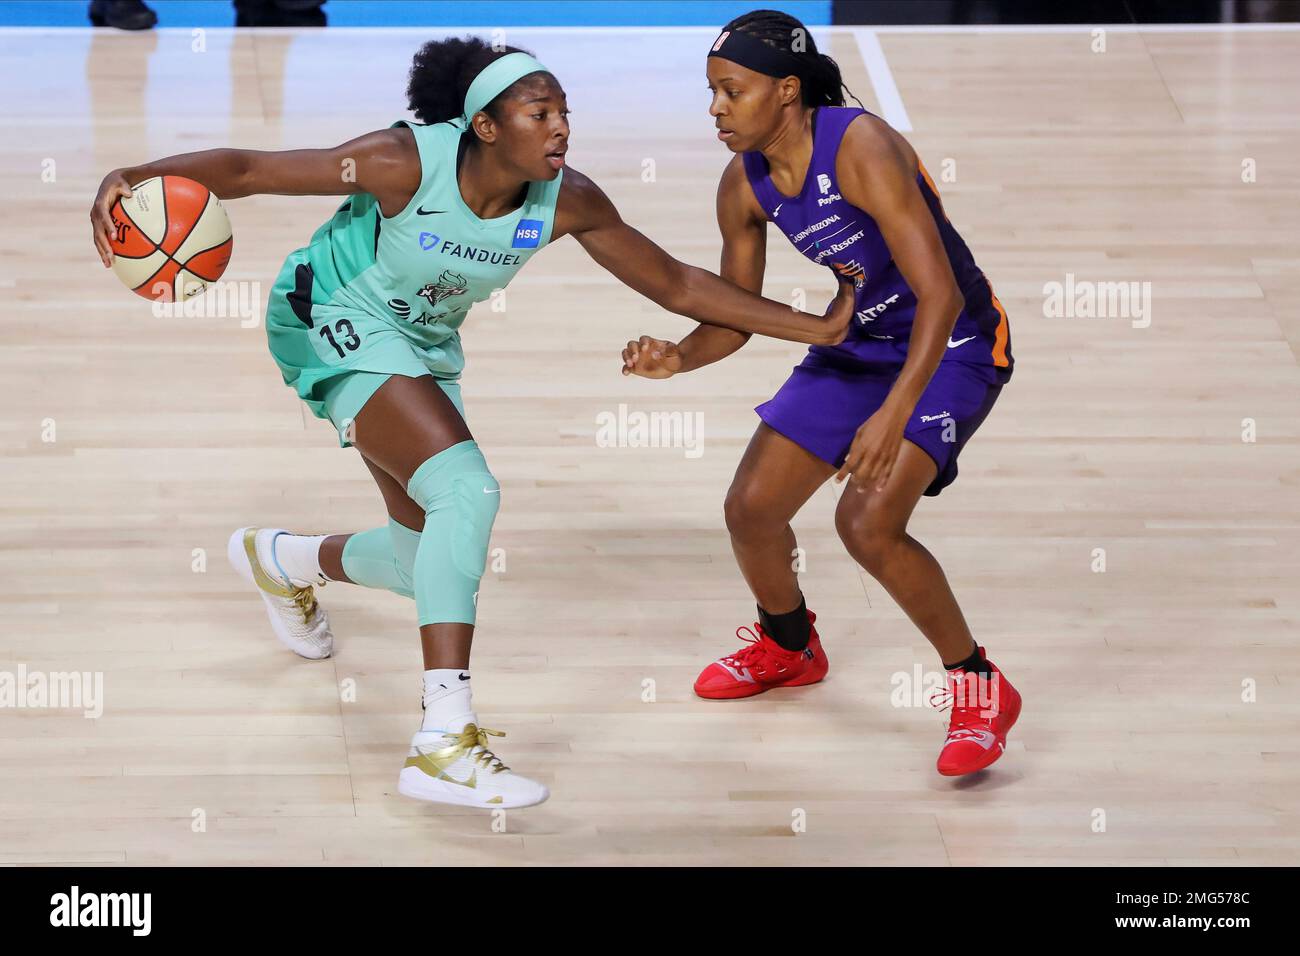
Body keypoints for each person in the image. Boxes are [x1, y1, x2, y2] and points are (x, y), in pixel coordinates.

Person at [90, 37, 854, 810]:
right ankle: (443, 741)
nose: (560, 128)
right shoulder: (400, 162)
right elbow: (252, 171)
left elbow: (680, 284)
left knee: (424, 558)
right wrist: (135, 179)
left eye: (564, 112)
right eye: (539, 111)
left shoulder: (568, 199)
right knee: (469, 492)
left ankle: (284, 559)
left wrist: (816, 328)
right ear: (485, 127)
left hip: (419, 344)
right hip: (327, 316)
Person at [621, 10, 1021, 777]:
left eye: (731, 92)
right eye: (711, 93)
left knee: (867, 522)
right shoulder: (743, 183)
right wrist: (679, 356)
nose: (716, 109)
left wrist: (892, 414)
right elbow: (736, 317)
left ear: (787, 90)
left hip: (956, 345)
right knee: (751, 510)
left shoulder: (861, 146)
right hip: (863, 341)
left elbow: (938, 294)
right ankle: (789, 646)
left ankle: (978, 684)